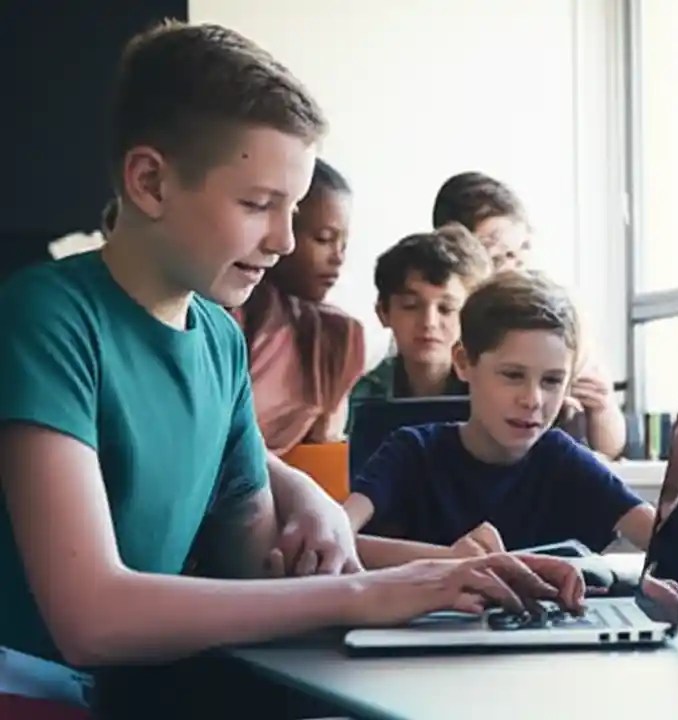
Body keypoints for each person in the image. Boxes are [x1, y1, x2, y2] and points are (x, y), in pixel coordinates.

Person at [0, 21, 583, 715]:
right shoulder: (47, 317)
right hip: (37, 689)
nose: (282, 241)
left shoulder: (216, 337)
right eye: (257, 205)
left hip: (140, 688)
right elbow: (93, 616)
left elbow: (263, 564)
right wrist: (368, 591)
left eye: (293, 209)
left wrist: (456, 570)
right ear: (150, 181)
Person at [344, 271, 656, 566]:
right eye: (512, 375)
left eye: (551, 381)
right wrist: (450, 559)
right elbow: (333, 538)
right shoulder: (410, 451)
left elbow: (665, 540)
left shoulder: (562, 457)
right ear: (464, 363)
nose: (532, 400)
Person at [432, 171, 626, 459]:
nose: (514, 267)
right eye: (496, 255)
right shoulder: (438, 328)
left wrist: (602, 405)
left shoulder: (557, 324)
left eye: (520, 251)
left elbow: (610, 447)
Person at [235, 158, 365, 455]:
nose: (338, 257)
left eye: (343, 243)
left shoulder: (335, 337)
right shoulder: (222, 313)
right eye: (323, 239)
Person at [350, 225, 492, 403]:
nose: (429, 322)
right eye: (411, 306)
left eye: (446, 308)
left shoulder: (489, 394)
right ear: (383, 312)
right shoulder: (361, 397)